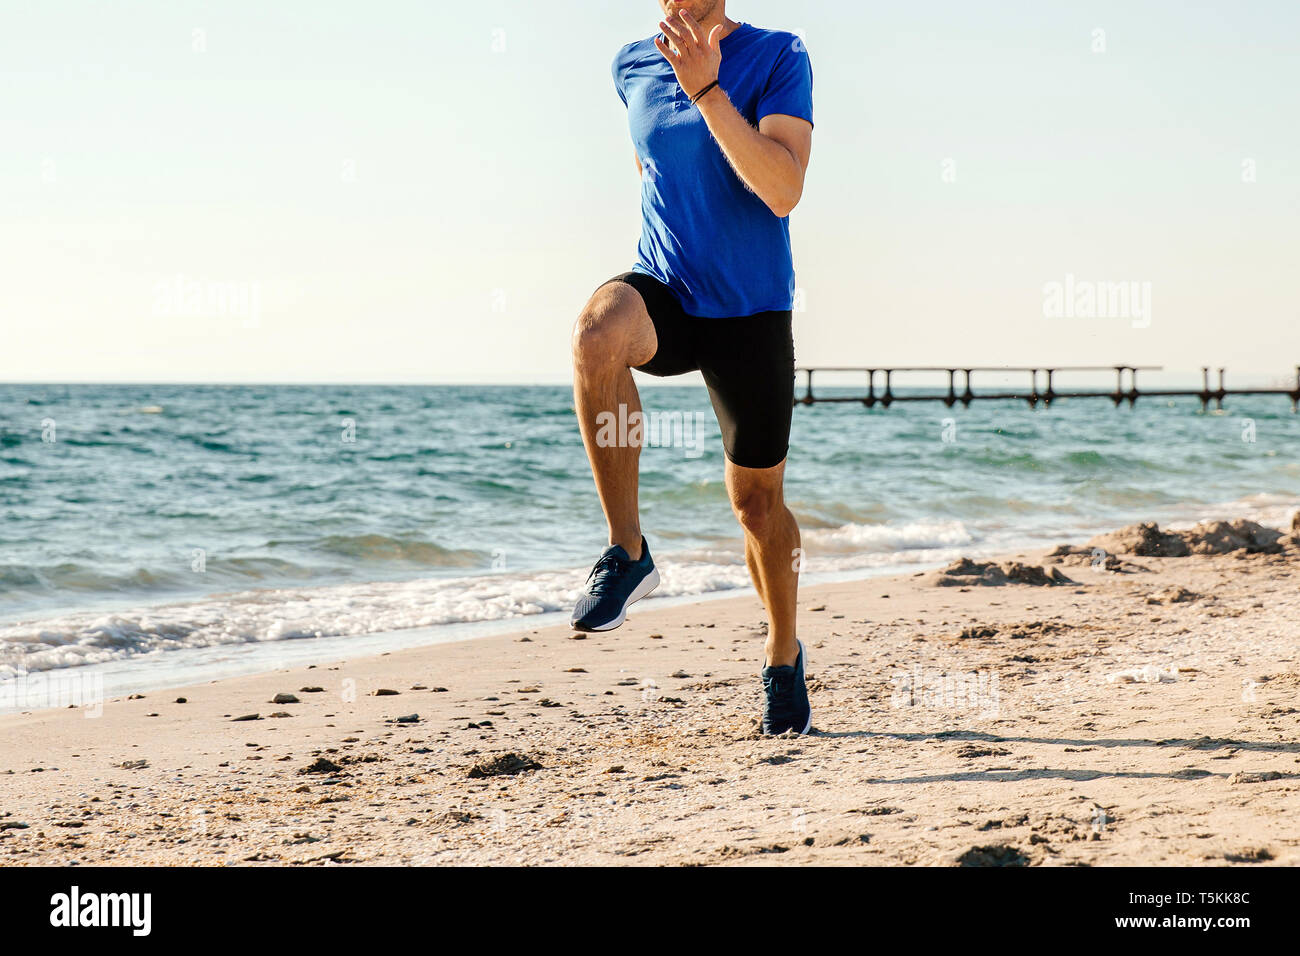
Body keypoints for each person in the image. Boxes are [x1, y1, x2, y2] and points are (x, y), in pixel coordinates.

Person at [569, 1, 814, 735]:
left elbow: (782, 189)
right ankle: (628, 549)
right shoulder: (630, 64)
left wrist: (708, 90)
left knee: (757, 508)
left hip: (750, 310)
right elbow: (653, 166)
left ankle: (781, 654)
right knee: (595, 333)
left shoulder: (779, 56)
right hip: (668, 293)